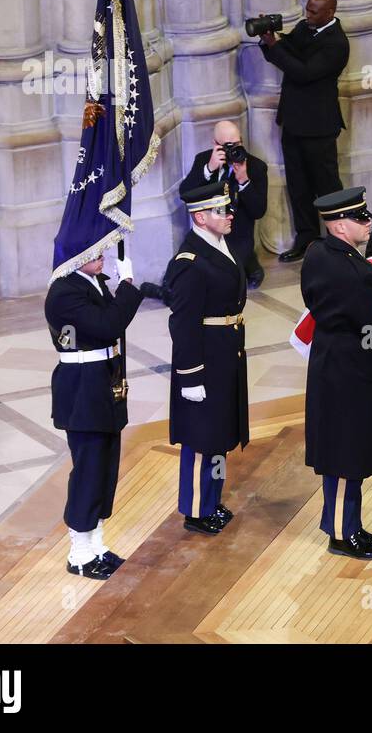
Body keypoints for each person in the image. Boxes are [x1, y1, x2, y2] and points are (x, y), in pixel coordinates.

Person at [300, 187, 372, 560]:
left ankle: (350, 526)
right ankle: (342, 533)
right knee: (344, 457)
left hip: (335, 365)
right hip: (350, 373)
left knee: (347, 453)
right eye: (360, 218)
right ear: (339, 226)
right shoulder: (351, 272)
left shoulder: (320, 254)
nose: (367, 222)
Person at [45, 248, 142, 579]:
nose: (101, 257)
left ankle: (97, 546)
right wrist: (127, 284)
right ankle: (79, 554)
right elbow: (108, 325)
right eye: (93, 252)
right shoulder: (63, 292)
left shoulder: (93, 282)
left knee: (105, 469)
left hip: (101, 383)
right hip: (82, 390)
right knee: (88, 471)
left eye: (102, 251)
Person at [166, 181, 249, 536]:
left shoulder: (219, 245)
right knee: (201, 439)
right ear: (200, 217)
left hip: (225, 356)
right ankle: (197, 510)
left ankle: (211, 500)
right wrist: (190, 376)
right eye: (220, 210)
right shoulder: (190, 263)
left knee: (219, 434)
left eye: (228, 208)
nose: (229, 215)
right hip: (205, 362)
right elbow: (183, 324)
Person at [257, 0, 347, 264]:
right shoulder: (304, 27)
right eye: (307, 9)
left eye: (314, 12)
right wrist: (270, 40)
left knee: (327, 186)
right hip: (294, 122)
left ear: (330, 13)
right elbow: (287, 51)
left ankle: (339, 240)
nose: (308, 15)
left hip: (319, 126)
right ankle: (306, 239)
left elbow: (303, 72)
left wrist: (276, 46)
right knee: (299, 187)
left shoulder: (337, 43)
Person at [178, 120, 268, 288]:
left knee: (219, 278)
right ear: (216, 144)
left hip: (237, 236)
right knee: (184, 266)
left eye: (237, 144)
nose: (234, 150)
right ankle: (167, 291)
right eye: (228, 146)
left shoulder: (256, 167)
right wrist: (208, 169)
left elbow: (258, 211)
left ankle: (249, 262)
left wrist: (244, 182)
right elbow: (184, 193)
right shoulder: (204, 160)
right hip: (207, 233)